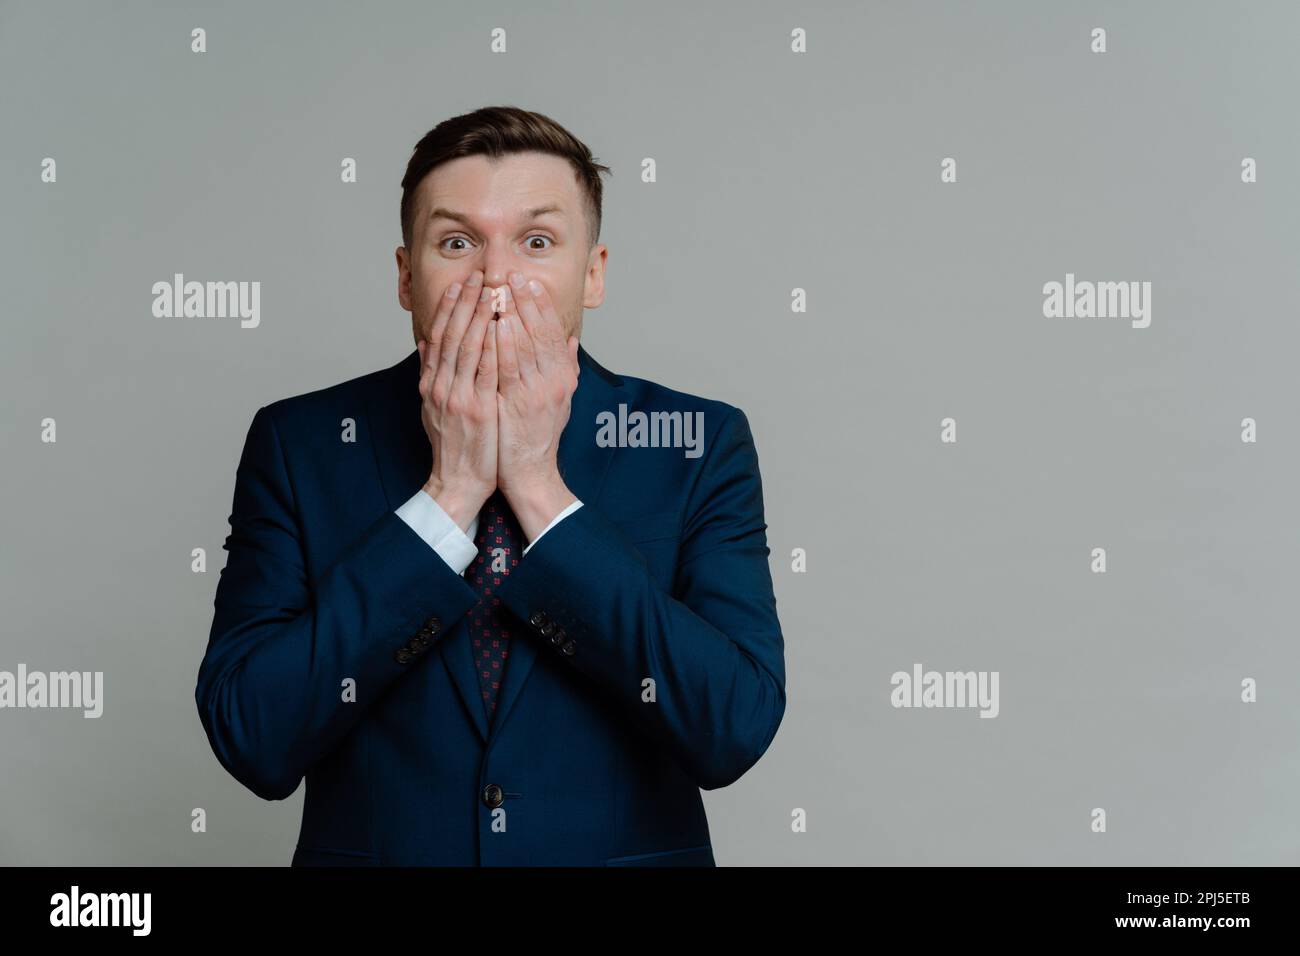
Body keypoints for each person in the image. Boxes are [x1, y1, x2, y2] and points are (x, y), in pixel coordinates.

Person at [194, 105, 786, 866]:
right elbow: (253, 737)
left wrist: (540, 489)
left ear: (593, 272)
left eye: (537, 242)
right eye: (456, 242)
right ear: (407, 277)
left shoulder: (697, 445)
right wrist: (448, 497)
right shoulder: (299, 443)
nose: (496, 279)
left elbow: (731, 728)